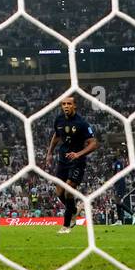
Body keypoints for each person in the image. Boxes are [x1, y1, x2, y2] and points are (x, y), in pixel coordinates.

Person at [43, 95, 98, 233]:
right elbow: (56, 136)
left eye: (69, 104)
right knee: (59, 192)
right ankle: (74, 210)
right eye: (63, 104)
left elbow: (94, 143)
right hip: (63, 160)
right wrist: (49, 153)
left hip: (77, 162)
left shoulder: (82, 123)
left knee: (68, 191)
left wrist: (78, 154)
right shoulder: (59, 120)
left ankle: (66, 225)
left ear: (74, 106)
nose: (66, 106)